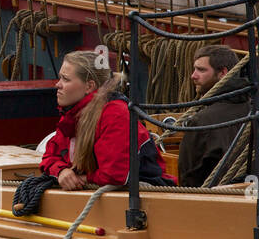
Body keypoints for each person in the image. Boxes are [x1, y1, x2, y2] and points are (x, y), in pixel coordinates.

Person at [40, 50, 173, 189]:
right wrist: (61, 171)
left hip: (145, 193)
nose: (58, 84)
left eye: (65, 79)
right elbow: (50, 156)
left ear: (89, 86)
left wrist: (80, 179)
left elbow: (114, 174)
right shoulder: (73, 116)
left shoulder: (115, 115)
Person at [177, 44, 250, 187]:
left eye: (201, 70)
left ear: (223, 73)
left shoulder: (202, 120)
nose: (193, 75)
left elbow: (188, 176)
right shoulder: (253, 109)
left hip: (213, 199)